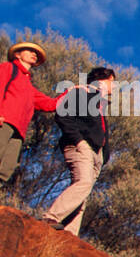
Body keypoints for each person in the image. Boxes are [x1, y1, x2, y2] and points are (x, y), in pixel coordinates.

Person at [0, 41, 70, 203]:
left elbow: (49, 104)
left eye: (37, 54)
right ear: (18, 54)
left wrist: (70, 93)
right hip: (1, 120)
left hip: (19, 130)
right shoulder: (7, 68)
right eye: (30, 51)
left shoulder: (28, 85)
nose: (34, 54)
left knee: (8, 165)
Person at [42, 66, 115, 235]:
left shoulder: (99, 102)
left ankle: (69, 234)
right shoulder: (81, 93)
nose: (114, 86)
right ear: (101, 80)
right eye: (112, 82)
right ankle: (51, 217)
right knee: (83, 183)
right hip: (81, 146)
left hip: (96, 153)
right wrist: (79, 140)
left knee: (83, 193)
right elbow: (63, 115)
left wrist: (104, 155)